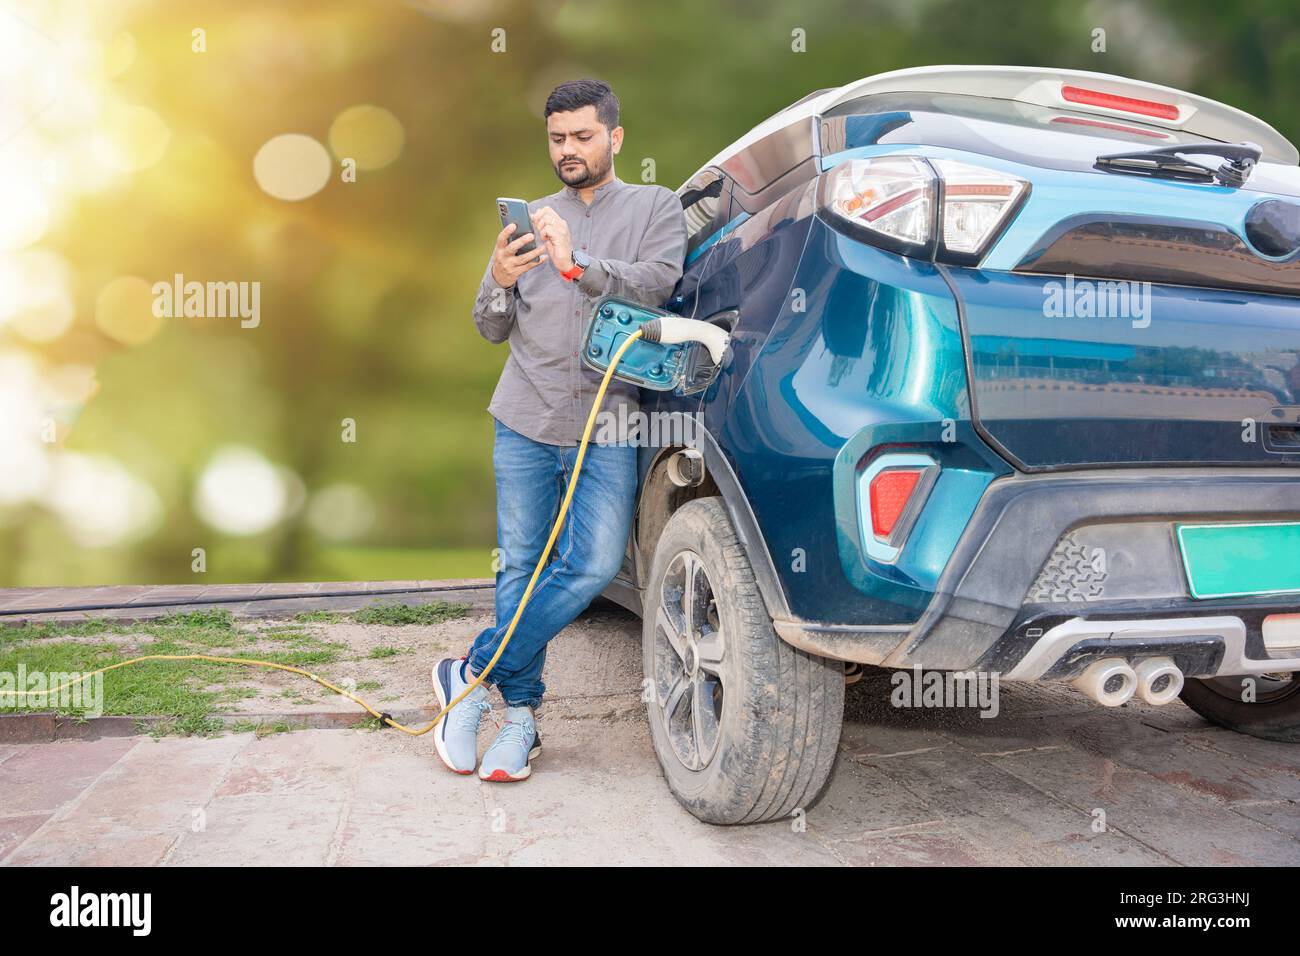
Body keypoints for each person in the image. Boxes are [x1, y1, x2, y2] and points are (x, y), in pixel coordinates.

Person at [432, 79, 687, 781]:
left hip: (608, 419)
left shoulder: (655, 207)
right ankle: (519, 719)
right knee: (520, 564)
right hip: (523, 415)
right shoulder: (528, 216)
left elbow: (659, 283)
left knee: (596, 563)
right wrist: (497, 278)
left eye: (581, 136)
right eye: (557, 138)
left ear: (615, 137)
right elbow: (490, 327)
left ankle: (468, 672)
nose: (568, 150)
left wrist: (577, 264)